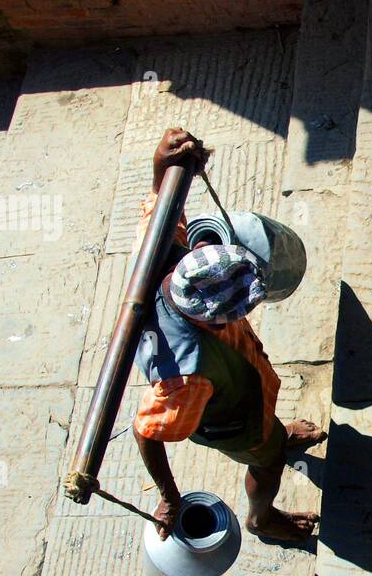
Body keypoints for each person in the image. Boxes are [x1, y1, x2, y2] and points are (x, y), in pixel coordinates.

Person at [132, 128, 325, 542]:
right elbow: (146, 431)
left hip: (242, 385)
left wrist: (163, 165)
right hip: (232, 421)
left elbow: (161, 204)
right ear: (214, 320)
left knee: (269, 430)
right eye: (234, 316)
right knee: (267, 459)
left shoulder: (162, 256)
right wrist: (169, 496)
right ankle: (262, 518)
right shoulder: (184, 376)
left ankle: (276, 434)